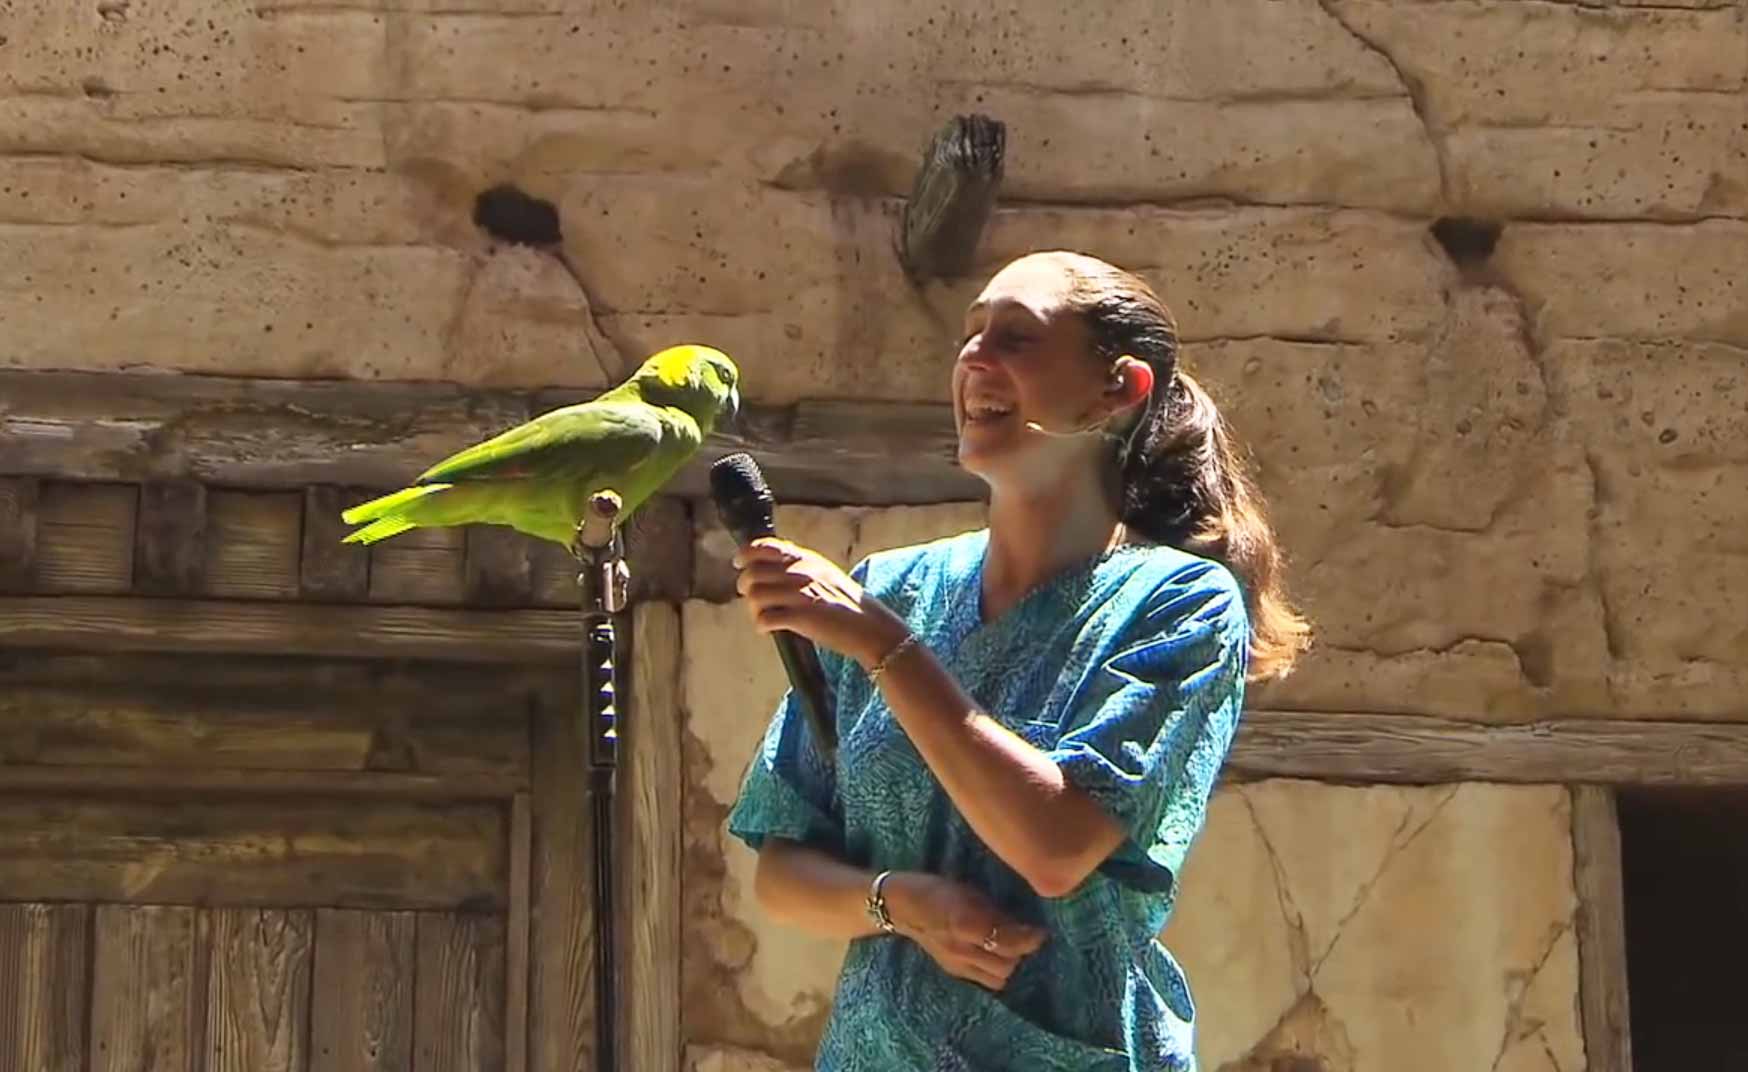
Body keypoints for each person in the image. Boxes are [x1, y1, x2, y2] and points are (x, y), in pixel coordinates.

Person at [724, 250, 1311, 1071]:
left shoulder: (1179, 603)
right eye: (970, 335)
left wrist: (887, 648)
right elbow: (783, 867)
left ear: (1118, 390)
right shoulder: (893, 588)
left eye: (1016, 337)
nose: (975, 357)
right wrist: (898, 902)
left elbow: (1056, 845)